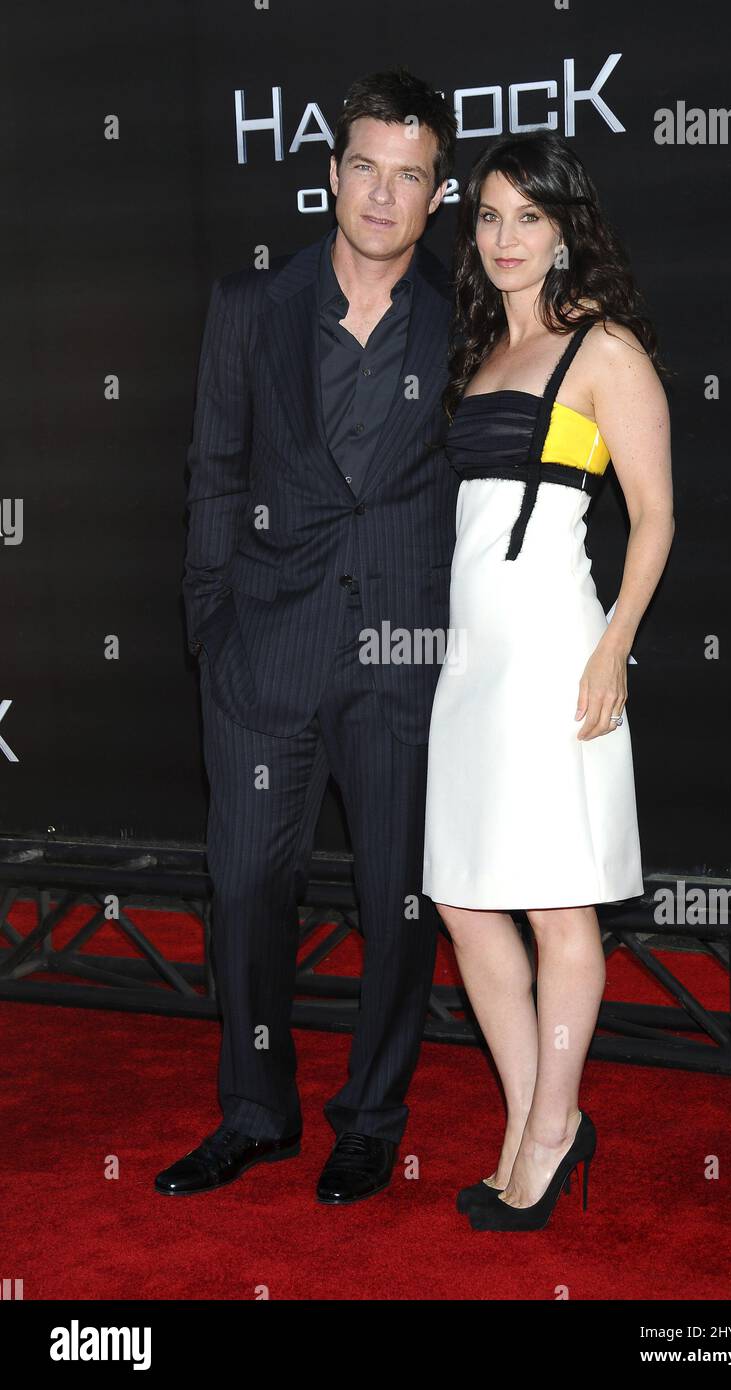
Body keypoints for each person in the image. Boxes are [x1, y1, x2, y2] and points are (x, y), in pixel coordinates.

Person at [156, 69, 459, 1205]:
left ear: (437, 194)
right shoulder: (252, 309)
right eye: (366, 168)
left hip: (401, 667)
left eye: (410, 175)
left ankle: (372, 1117)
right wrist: (210, 629)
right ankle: (257, 1111)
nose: (384, 195)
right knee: (242, 888)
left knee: (397, 902)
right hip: (263, 659)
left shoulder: (463, 317)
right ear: (332, 176)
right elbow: (214, 473)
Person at [421, 131, 675, 1230]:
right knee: (466, 904)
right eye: (487, 215)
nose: (506, 236)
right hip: (472, 670)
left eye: (529, 215)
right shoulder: (479, 355)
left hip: (557, 660)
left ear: (566, 229)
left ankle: (553, 1127)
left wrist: (615, 641)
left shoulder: (603, 348)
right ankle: (536, 1117)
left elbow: (656, 514)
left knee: (559, 910)